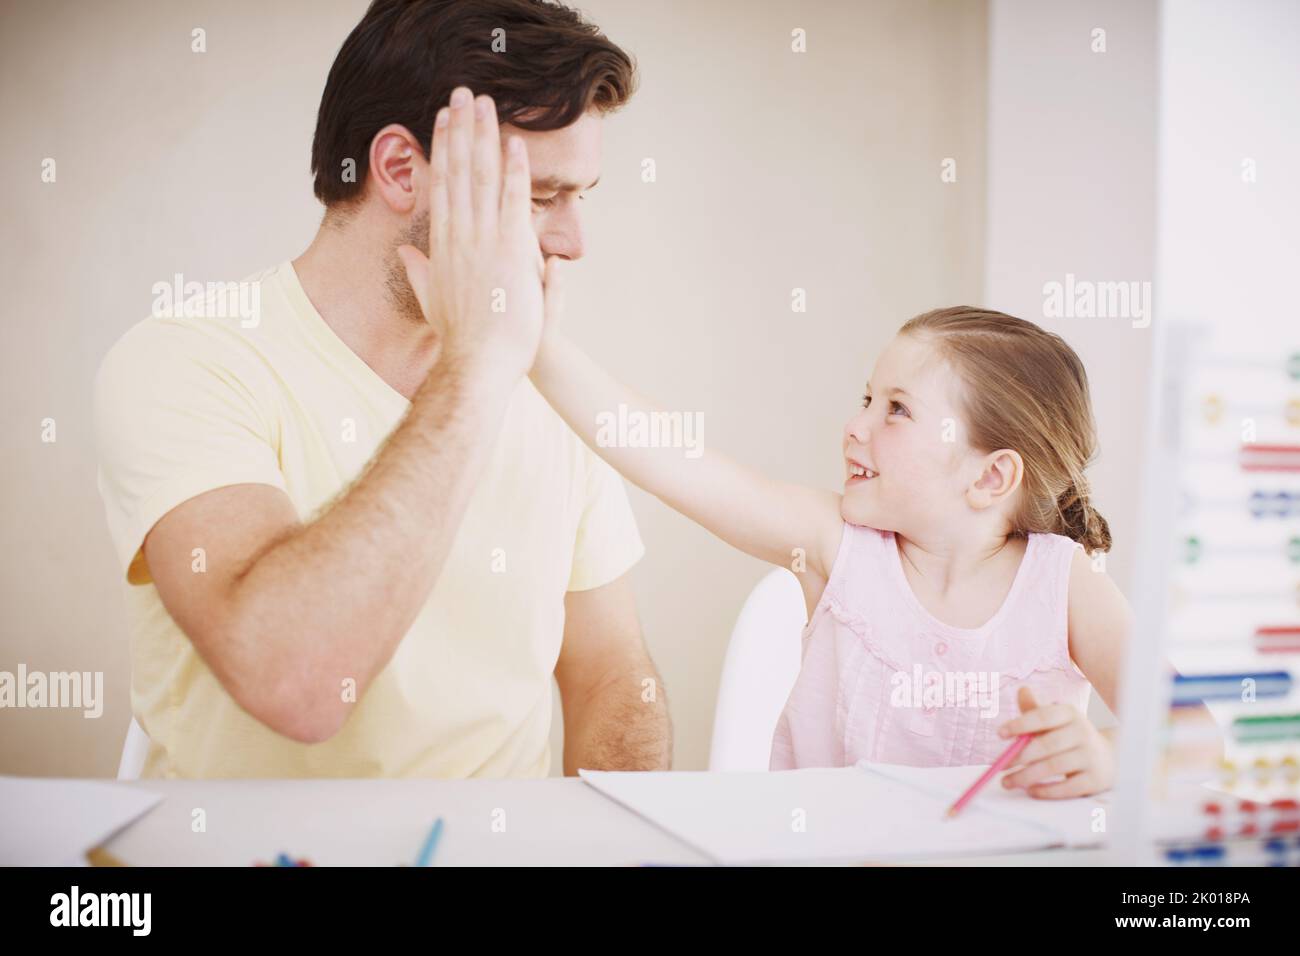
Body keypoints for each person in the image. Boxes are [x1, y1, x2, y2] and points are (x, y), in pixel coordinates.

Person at [93, 0, 670, 779]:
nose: (571, 242)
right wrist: (478, 370)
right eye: (538, 198)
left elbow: (611, 678)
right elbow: (294, 683)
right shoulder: (185, 363)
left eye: (580, 197)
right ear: (400, 169)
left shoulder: (547, 384)